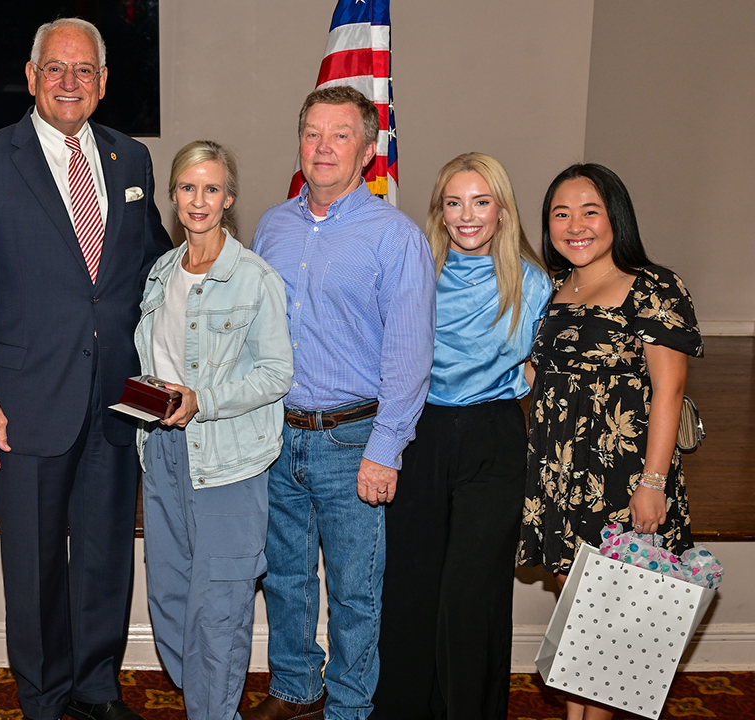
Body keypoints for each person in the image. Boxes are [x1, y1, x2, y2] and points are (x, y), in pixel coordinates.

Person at [0, 17, 172, 720]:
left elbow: (154, 263)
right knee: (35, 565)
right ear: (32, 75)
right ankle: (42, 698)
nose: (69, 82)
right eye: (55, 68)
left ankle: (96, 686)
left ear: (102, 85)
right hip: (26, 400)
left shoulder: (130, 159)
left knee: (104, 556)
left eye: (84, 71)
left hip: (118, 398)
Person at [245, 85, 435, 720]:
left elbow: (408, 358)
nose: (322, 148)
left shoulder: (395, 237)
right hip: (277, 434)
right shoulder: (272, 226)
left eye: (340, 135)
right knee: (285, 578)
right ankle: (296, 686)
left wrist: (385, 451)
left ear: (369, 149)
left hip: (352, 439)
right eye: (312, 134)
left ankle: (350, 708)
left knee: (356, 591)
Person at [517, 163, 703, 720]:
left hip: (622, 478)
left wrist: (652, 484)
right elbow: (536, 377)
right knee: (582, 622)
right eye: (560, 213)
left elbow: (668, 395)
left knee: (609, 625)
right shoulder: (551, 290)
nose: (575, 225)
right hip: (559, 477)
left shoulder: (655, 288)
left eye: (590, 211)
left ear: (615, 217)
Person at [370, 153, 550, 720]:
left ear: (501, 210)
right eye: (454, 202)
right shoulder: (416, 269)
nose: (467, 215)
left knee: (472, 595)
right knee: (411, 586)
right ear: (439, 211)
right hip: (417, 432)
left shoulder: (533, 282)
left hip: (493, 439)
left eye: (480, 201)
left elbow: (543, 375)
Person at [135, 141, 292, 720]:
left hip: (228, 461)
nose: (197, 201)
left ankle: (212, 712)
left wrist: (205, 400)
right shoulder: (161, 272)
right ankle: (204, 701)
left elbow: (277, 374)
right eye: (187, 188)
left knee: (220, 607)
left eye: (210, 189)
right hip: (164, 452)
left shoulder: (254, 278)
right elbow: (161, 359)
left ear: (228, 199)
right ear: (174, 197)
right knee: (171, 600)